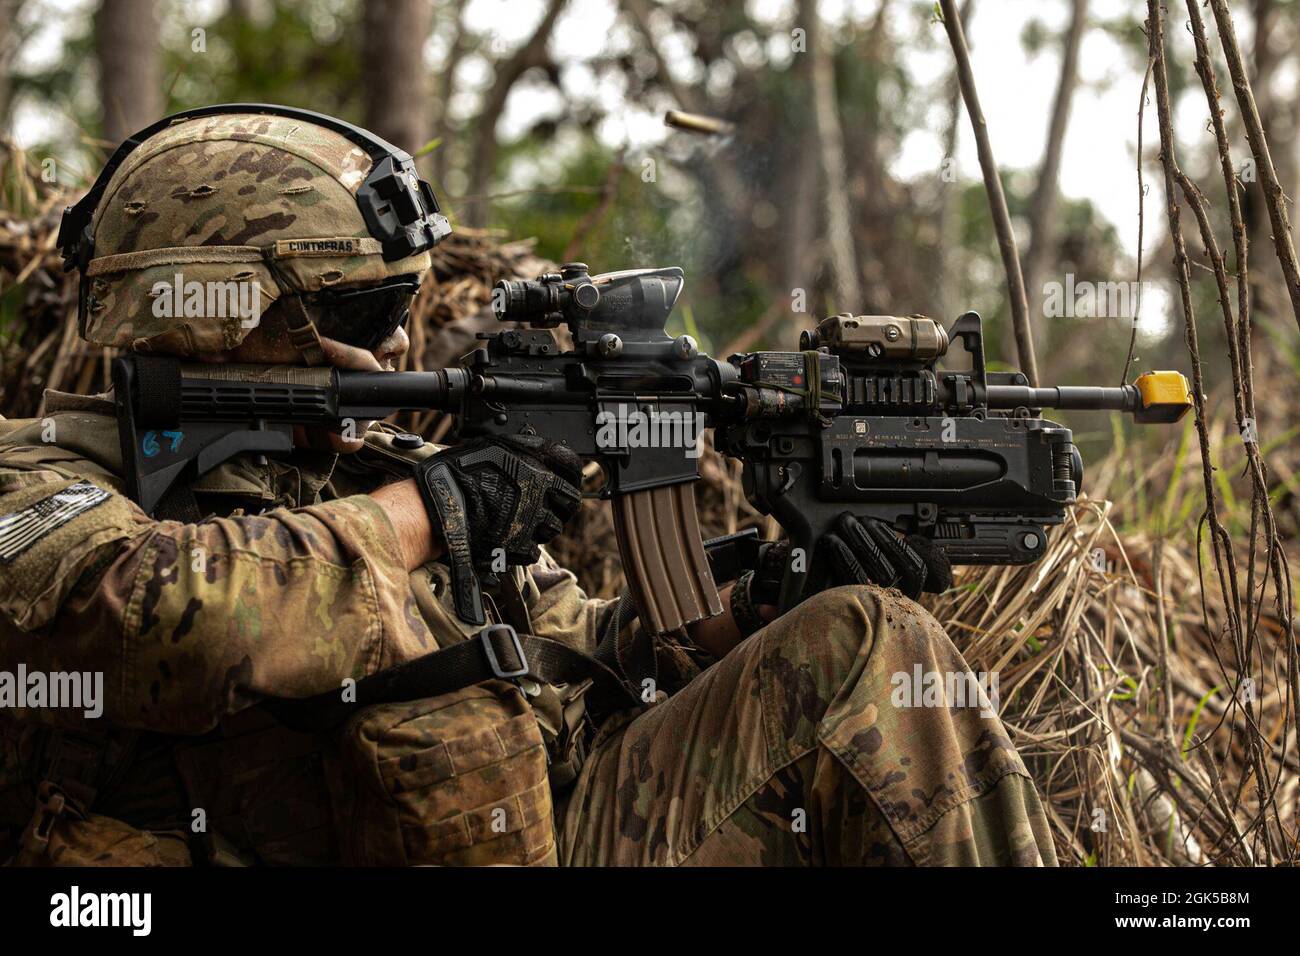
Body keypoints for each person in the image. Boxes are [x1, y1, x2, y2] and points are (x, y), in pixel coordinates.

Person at [0, 105, 1056, 866]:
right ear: (223, 317)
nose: (404, 340)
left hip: (549, 827)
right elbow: (169, 615)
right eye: (367, 315)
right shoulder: (41, 471)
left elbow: (592, 657)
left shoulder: (376, 472)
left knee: (859, 637)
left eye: (403, 307)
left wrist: (770, 596)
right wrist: (442, 510)